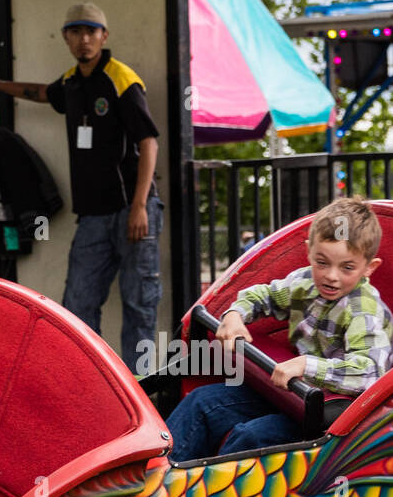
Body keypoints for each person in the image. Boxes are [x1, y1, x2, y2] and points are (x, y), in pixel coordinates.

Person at [0, 1, 162, 373]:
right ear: (67, 37)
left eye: (91, 32)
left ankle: (144, 389)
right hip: (93, 215)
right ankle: (92, 382)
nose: (84, 39)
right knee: (78, 303)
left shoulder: (122, 80)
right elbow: (40, 93)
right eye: (76, 32)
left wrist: (139, 206)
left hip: (132, 210)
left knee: (139, 304)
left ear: (104, 36)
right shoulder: (71, 83)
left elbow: (149, 141)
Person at [167, 197, 393, 461]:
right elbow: (264, 296)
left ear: (369, 268)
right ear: (308, 252)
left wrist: (306, 365)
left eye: (347, 267)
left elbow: (368, 373)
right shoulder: (305, 283)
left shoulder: (363, 310)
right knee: (203, 403)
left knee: (253, 436)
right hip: (292, 391)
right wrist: (235, 314)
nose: (331, 275)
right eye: (322, 262)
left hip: (336, 417)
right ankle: (155, 477)